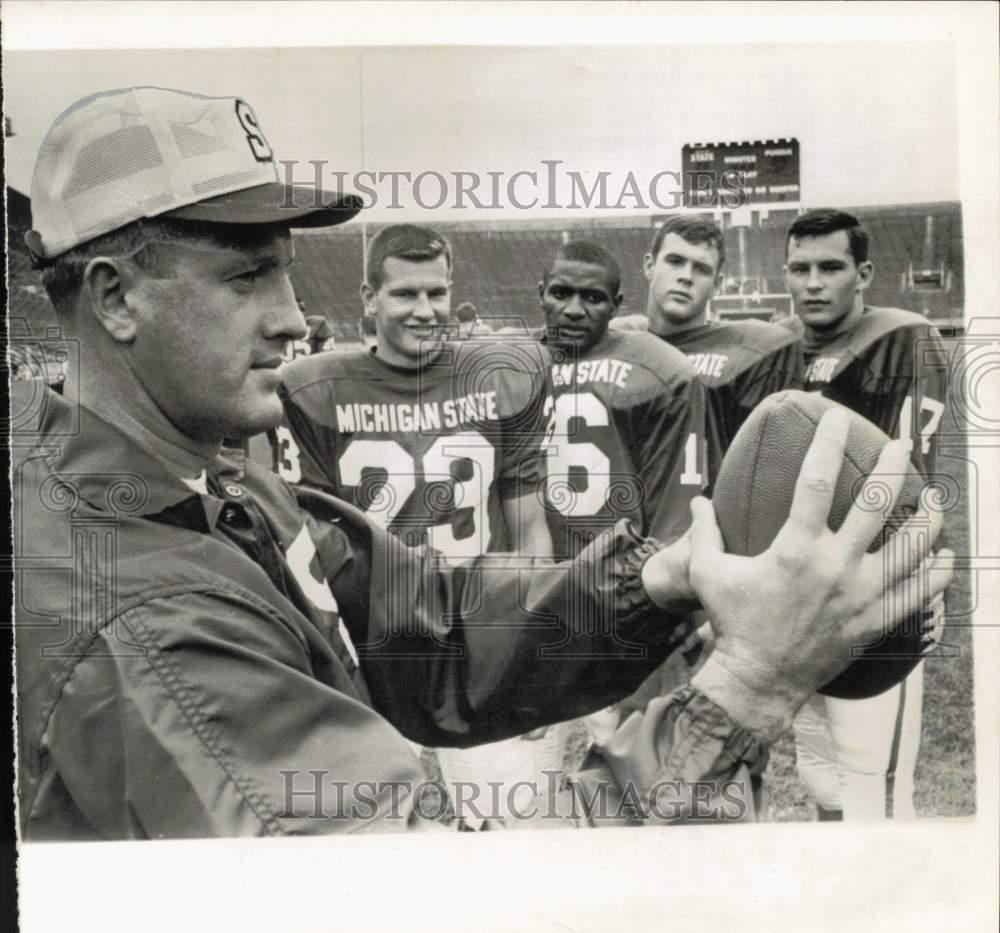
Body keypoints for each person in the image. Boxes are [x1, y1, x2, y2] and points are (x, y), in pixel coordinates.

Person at [13, 86, 951, 839]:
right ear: (116, 297)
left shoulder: (210, 474)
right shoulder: (137, 614)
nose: (293, 316)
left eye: (289, 271)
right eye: (246, 275)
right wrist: (746, 689)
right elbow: (433, 913)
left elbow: (434, 634)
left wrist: (666, 581)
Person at [277, 223, 559, 828]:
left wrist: (529, 645)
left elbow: (530, 526)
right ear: (368, 298)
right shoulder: (314, 387)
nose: (425, 310)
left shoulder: (500, 375)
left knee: (507, 826)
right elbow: (307, 544)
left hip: (472, 632)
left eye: (437, 293)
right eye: (405, 294)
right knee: (361, 831)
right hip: (370, 639)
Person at [779, 207, 951, 822]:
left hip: (879, 594)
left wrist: (914, 585)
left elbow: (908, 486)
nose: (813, 283)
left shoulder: (902, 337)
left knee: (872, 787)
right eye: (800, 269)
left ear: (864, 273)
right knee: (818, 774)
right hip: (801, 600)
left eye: (831, 267)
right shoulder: (779, 348)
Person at [537, 241, 706, 748]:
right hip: (537, 590)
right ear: (540, 294)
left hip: (620, 594)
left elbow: (679, 500)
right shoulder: (514, 366)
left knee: (627, 763)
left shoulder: (660, 370)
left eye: (591, 297)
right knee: (521, 774)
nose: (573, 308)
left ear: (616, 303)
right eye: (561, 293)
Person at [611, 215, 804, 491]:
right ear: (649, 266)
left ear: (717, 284)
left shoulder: (755, 349)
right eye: (675, 261)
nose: (686, 277)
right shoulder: (618, 344)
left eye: (701, 269)